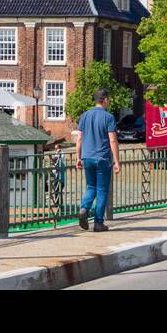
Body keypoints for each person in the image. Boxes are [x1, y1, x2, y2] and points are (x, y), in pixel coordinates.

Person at [75, 89, 121, 232]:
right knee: (102, 190)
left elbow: (79, 138)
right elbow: (112, 140)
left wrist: (78, 157)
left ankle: (84, 208)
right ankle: (98, 223)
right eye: (109, 99)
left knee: (90, 187)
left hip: (87, 157)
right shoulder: (108, 117)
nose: (110, 102)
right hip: (102, 158)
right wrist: (117, 162)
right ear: (105, 99)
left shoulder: (85, 116)